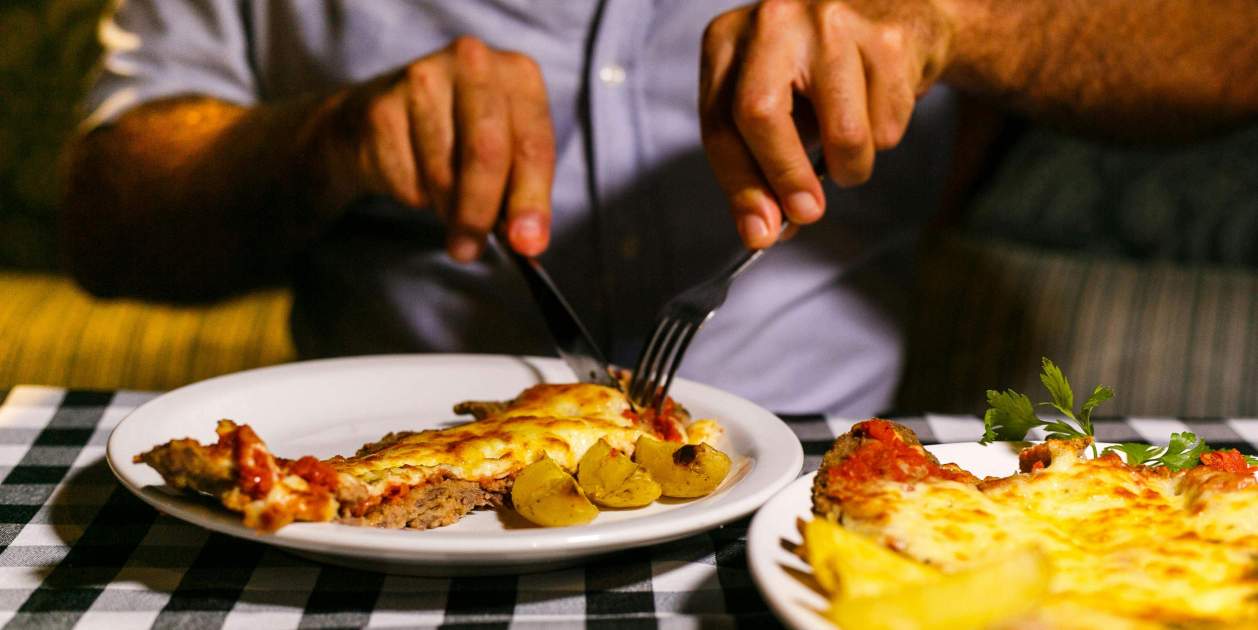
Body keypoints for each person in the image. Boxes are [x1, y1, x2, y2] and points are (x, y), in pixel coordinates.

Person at [63, 0, 1258, 416]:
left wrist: (960, 22)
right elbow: (108, 222)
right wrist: (327, 141)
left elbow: (1227, 46)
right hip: (373, 497)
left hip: (821, 500)